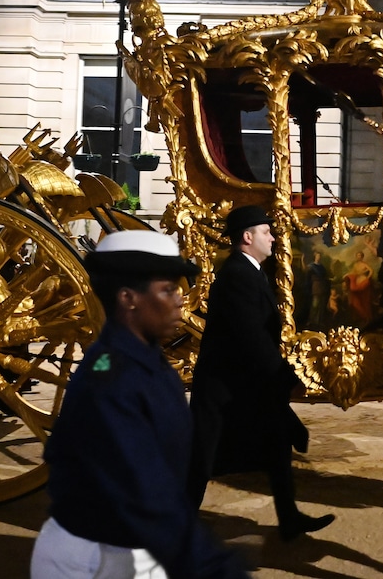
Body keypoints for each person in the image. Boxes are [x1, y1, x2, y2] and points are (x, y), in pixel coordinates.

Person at [31, 230, 246, 578]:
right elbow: (145, 492)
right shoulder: (113, 378)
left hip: (130, 547)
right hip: (93, 558)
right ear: (129, 298)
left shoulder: (144, 360)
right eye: (167, 290)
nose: (180, 300)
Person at [187, 205, 335, 541]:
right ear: (247, 237)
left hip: (241, 385)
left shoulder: (248, 272)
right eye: (266, 232)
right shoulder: (239, 275)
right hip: (225, 389)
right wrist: (286, 378)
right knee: (201, 460)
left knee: (275, 442)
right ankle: (174, 527)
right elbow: (251, 337)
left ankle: (289, 517)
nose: (272, 237)